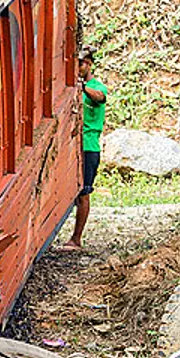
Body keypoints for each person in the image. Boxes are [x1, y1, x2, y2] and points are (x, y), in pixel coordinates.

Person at [62, 48, 107, 251]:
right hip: (72, 145)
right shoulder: (73, 87)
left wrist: (83, 87)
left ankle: (76, 238)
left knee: (84, 192)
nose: (77, 68)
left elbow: (100, 97)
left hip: (88, 146)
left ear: (88, 64)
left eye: (80, 64)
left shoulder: (95, 86)